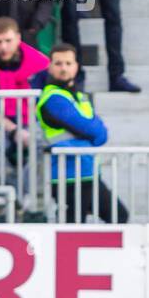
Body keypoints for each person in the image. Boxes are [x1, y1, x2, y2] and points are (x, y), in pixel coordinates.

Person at [38, 42, 130, 222]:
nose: (63, 68)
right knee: (73, 227)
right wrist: (91, 134)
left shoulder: (81, 97)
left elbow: (101, 134)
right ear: (50, 67)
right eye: (58, 63)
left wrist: (92, 133)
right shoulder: (53, 98)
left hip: (89, 172)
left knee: (119, 216)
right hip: (68, 177)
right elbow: (92, 130)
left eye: (68, 63)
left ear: (76, 66)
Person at [0, 16, 49, 186]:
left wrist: (30, 127)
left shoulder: (41, 65)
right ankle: (14, 188)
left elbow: (47, 103)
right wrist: (15, 130)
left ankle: (27, 190)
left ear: (18, 38)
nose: (3, 47)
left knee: (45, 142)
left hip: (36, 122)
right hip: (5, 125)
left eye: (8, 41)